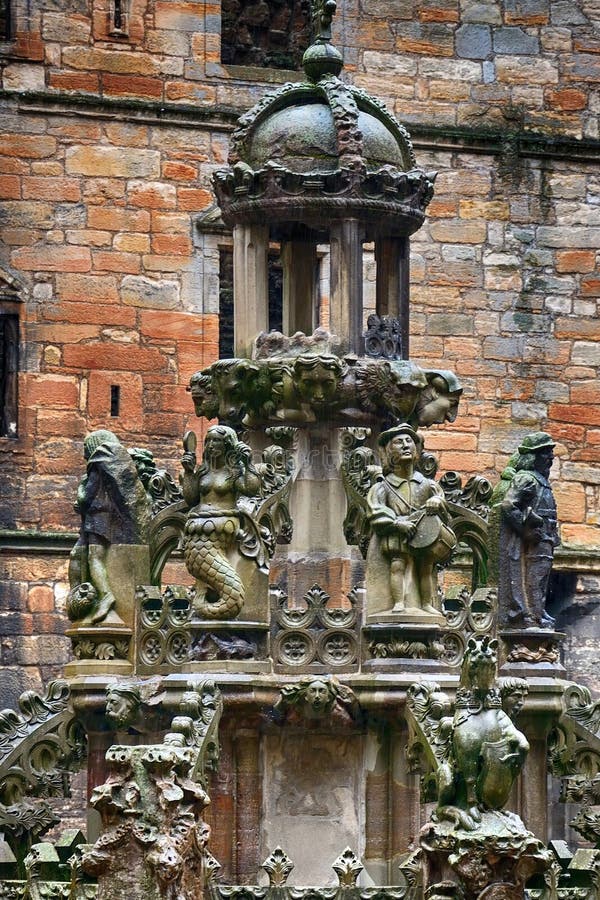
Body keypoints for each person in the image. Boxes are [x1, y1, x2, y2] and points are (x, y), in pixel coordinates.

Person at [366, 424, 455, 615]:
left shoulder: (427, 484)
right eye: (399, 442)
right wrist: (397, 523)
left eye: (409, 442)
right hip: (399, 531)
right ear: (389, 451)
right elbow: (375, 510)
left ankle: (426, 604)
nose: (406, 446)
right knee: (397, 564)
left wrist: (436, 501)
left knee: (426, 567)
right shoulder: (384, 486)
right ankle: (398, 603)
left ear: (416, 450)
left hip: (423, 531)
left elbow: (442, 502)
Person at [68, 430, 150, 624]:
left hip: (99, 516)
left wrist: (80, 489)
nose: (84, 455)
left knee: (94, 556)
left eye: (86, 449)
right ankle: (83, 597)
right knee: (82, 555)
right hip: (97, 517)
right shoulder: (107, 464)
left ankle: (106, 595)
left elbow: (85, 497)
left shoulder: (98, 465)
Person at [499, 432, 559, 628]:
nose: (551, 457)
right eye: (546, 453)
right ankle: (531, 614)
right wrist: (524, 529)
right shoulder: (527, 479)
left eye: (551, 452)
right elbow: (509, 505)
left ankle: (538, 611)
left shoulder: (541, 480)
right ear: (534, 456)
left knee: (541, 577)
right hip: (534, 537)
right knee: (534, 576)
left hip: (546, 537)